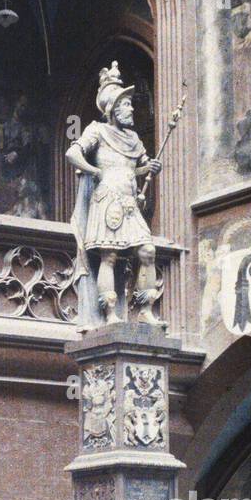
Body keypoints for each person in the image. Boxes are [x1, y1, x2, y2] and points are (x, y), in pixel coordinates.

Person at [66, 61, 162, 326]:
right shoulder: (96, 130)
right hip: (108, 202)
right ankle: (109, 313)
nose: (131, 108)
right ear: (112, 108)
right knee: (108, 257)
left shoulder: (133, 138)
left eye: (130, 104)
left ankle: (145, 308)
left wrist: (149, 168)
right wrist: (93, 170)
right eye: (125, 104)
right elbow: (72, 153)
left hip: (130, 203)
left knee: (147, 251)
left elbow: (136, 167)